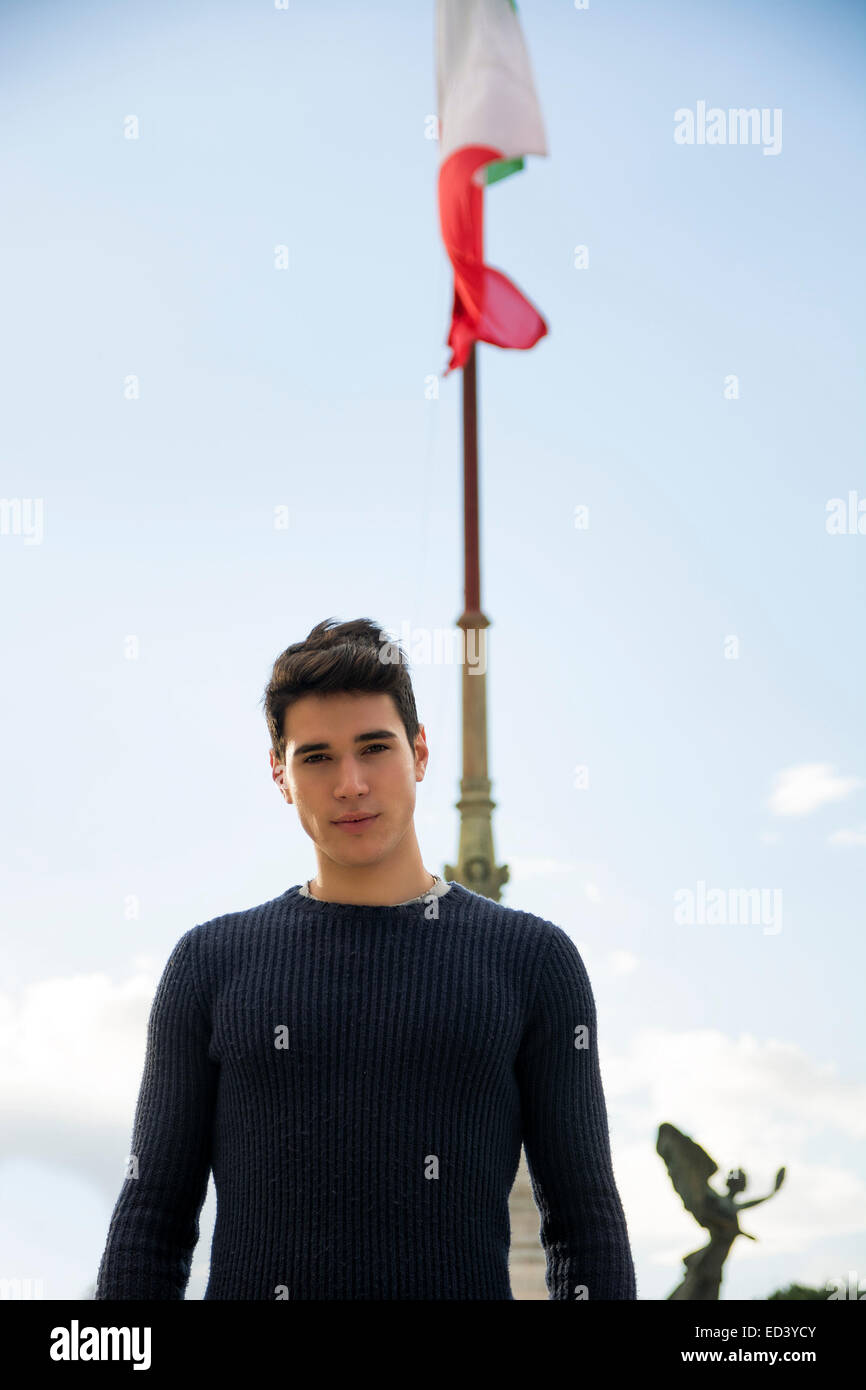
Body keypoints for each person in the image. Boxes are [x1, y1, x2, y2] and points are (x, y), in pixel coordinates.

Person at [95, 616, 637, 1300]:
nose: (350, 783)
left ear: (420, 754)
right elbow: (153, 1222)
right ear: (279, 774)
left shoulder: (532, 961)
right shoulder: (211, 964)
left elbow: (584, 1227)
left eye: (374, 748)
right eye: (316, 757)